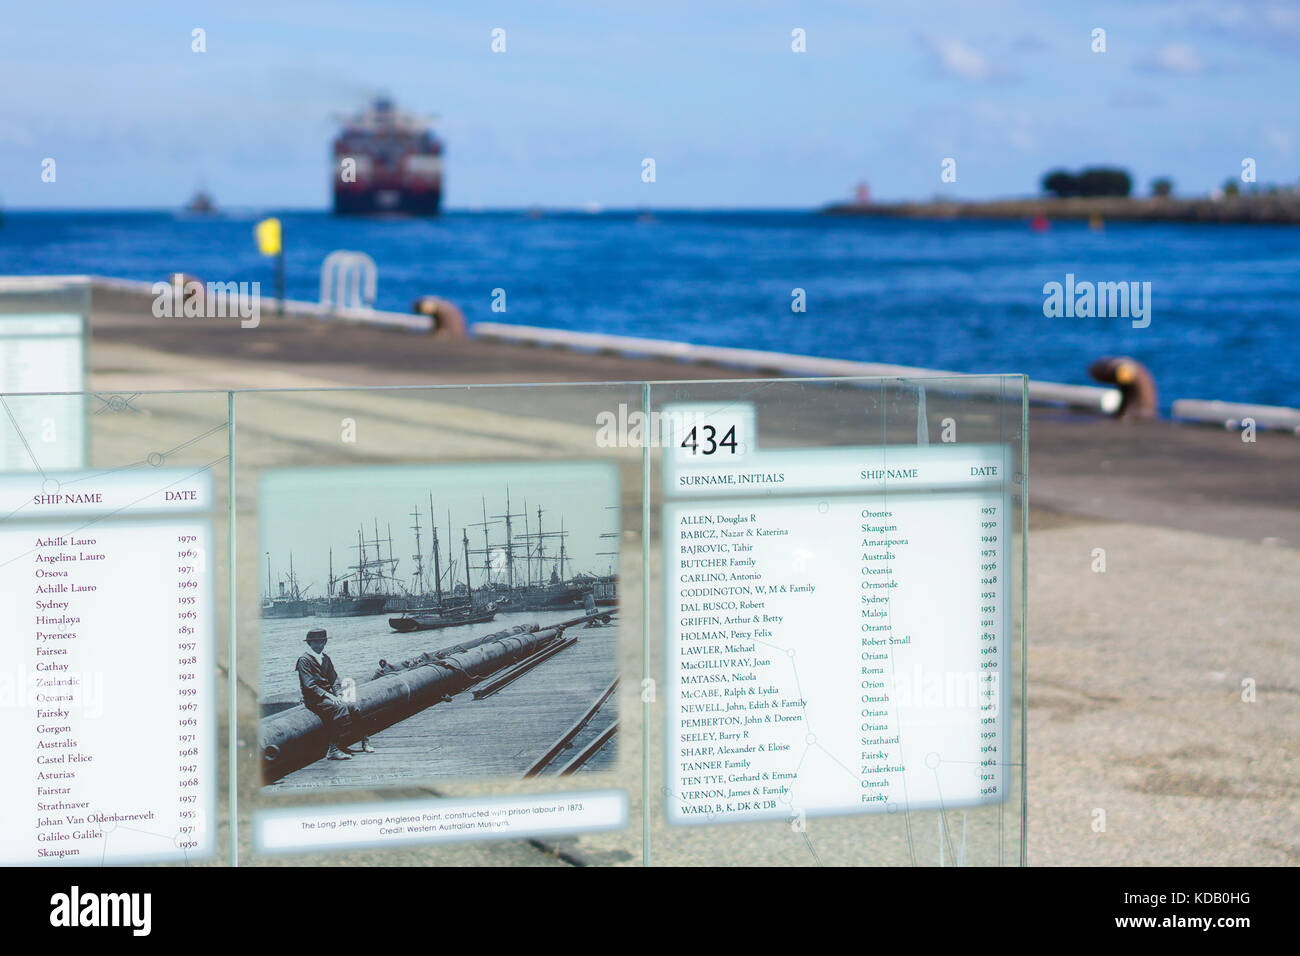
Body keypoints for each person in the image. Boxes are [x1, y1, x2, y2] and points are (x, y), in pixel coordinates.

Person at [297, 628, 376, 761]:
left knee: (353, 706)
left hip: (329, 696)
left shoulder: (325, 658)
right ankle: (333, 749)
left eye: (322, 642)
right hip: (315, 699)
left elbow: (334, 679)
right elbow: (309, 685)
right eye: (316, 642)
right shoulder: (304, 660)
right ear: (309, 643)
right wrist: (330, 697)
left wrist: (338, 694)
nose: (319, 645)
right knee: (340, 708)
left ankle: (365, 741)